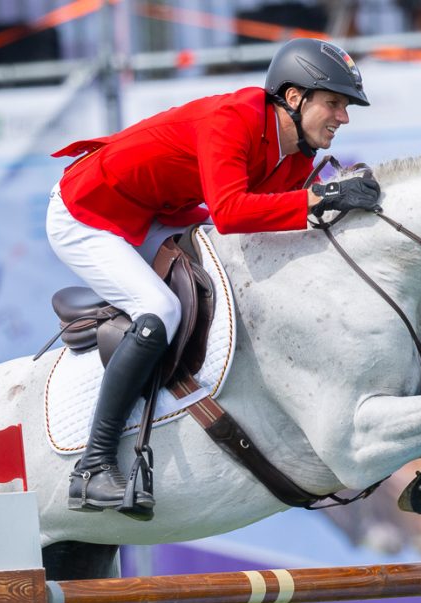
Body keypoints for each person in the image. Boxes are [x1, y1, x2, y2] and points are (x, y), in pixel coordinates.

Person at [47, 38, 383, 517]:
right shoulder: (234, 119)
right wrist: (319, 199)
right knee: (159, 310)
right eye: (333, 103)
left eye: (345, 106)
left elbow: (270, 227)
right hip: (89, 214)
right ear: (293, 98)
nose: (342, 117)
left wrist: (337, 203)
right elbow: (229, 214)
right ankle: (94, 467)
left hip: (156, 212)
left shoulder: (297, 154)